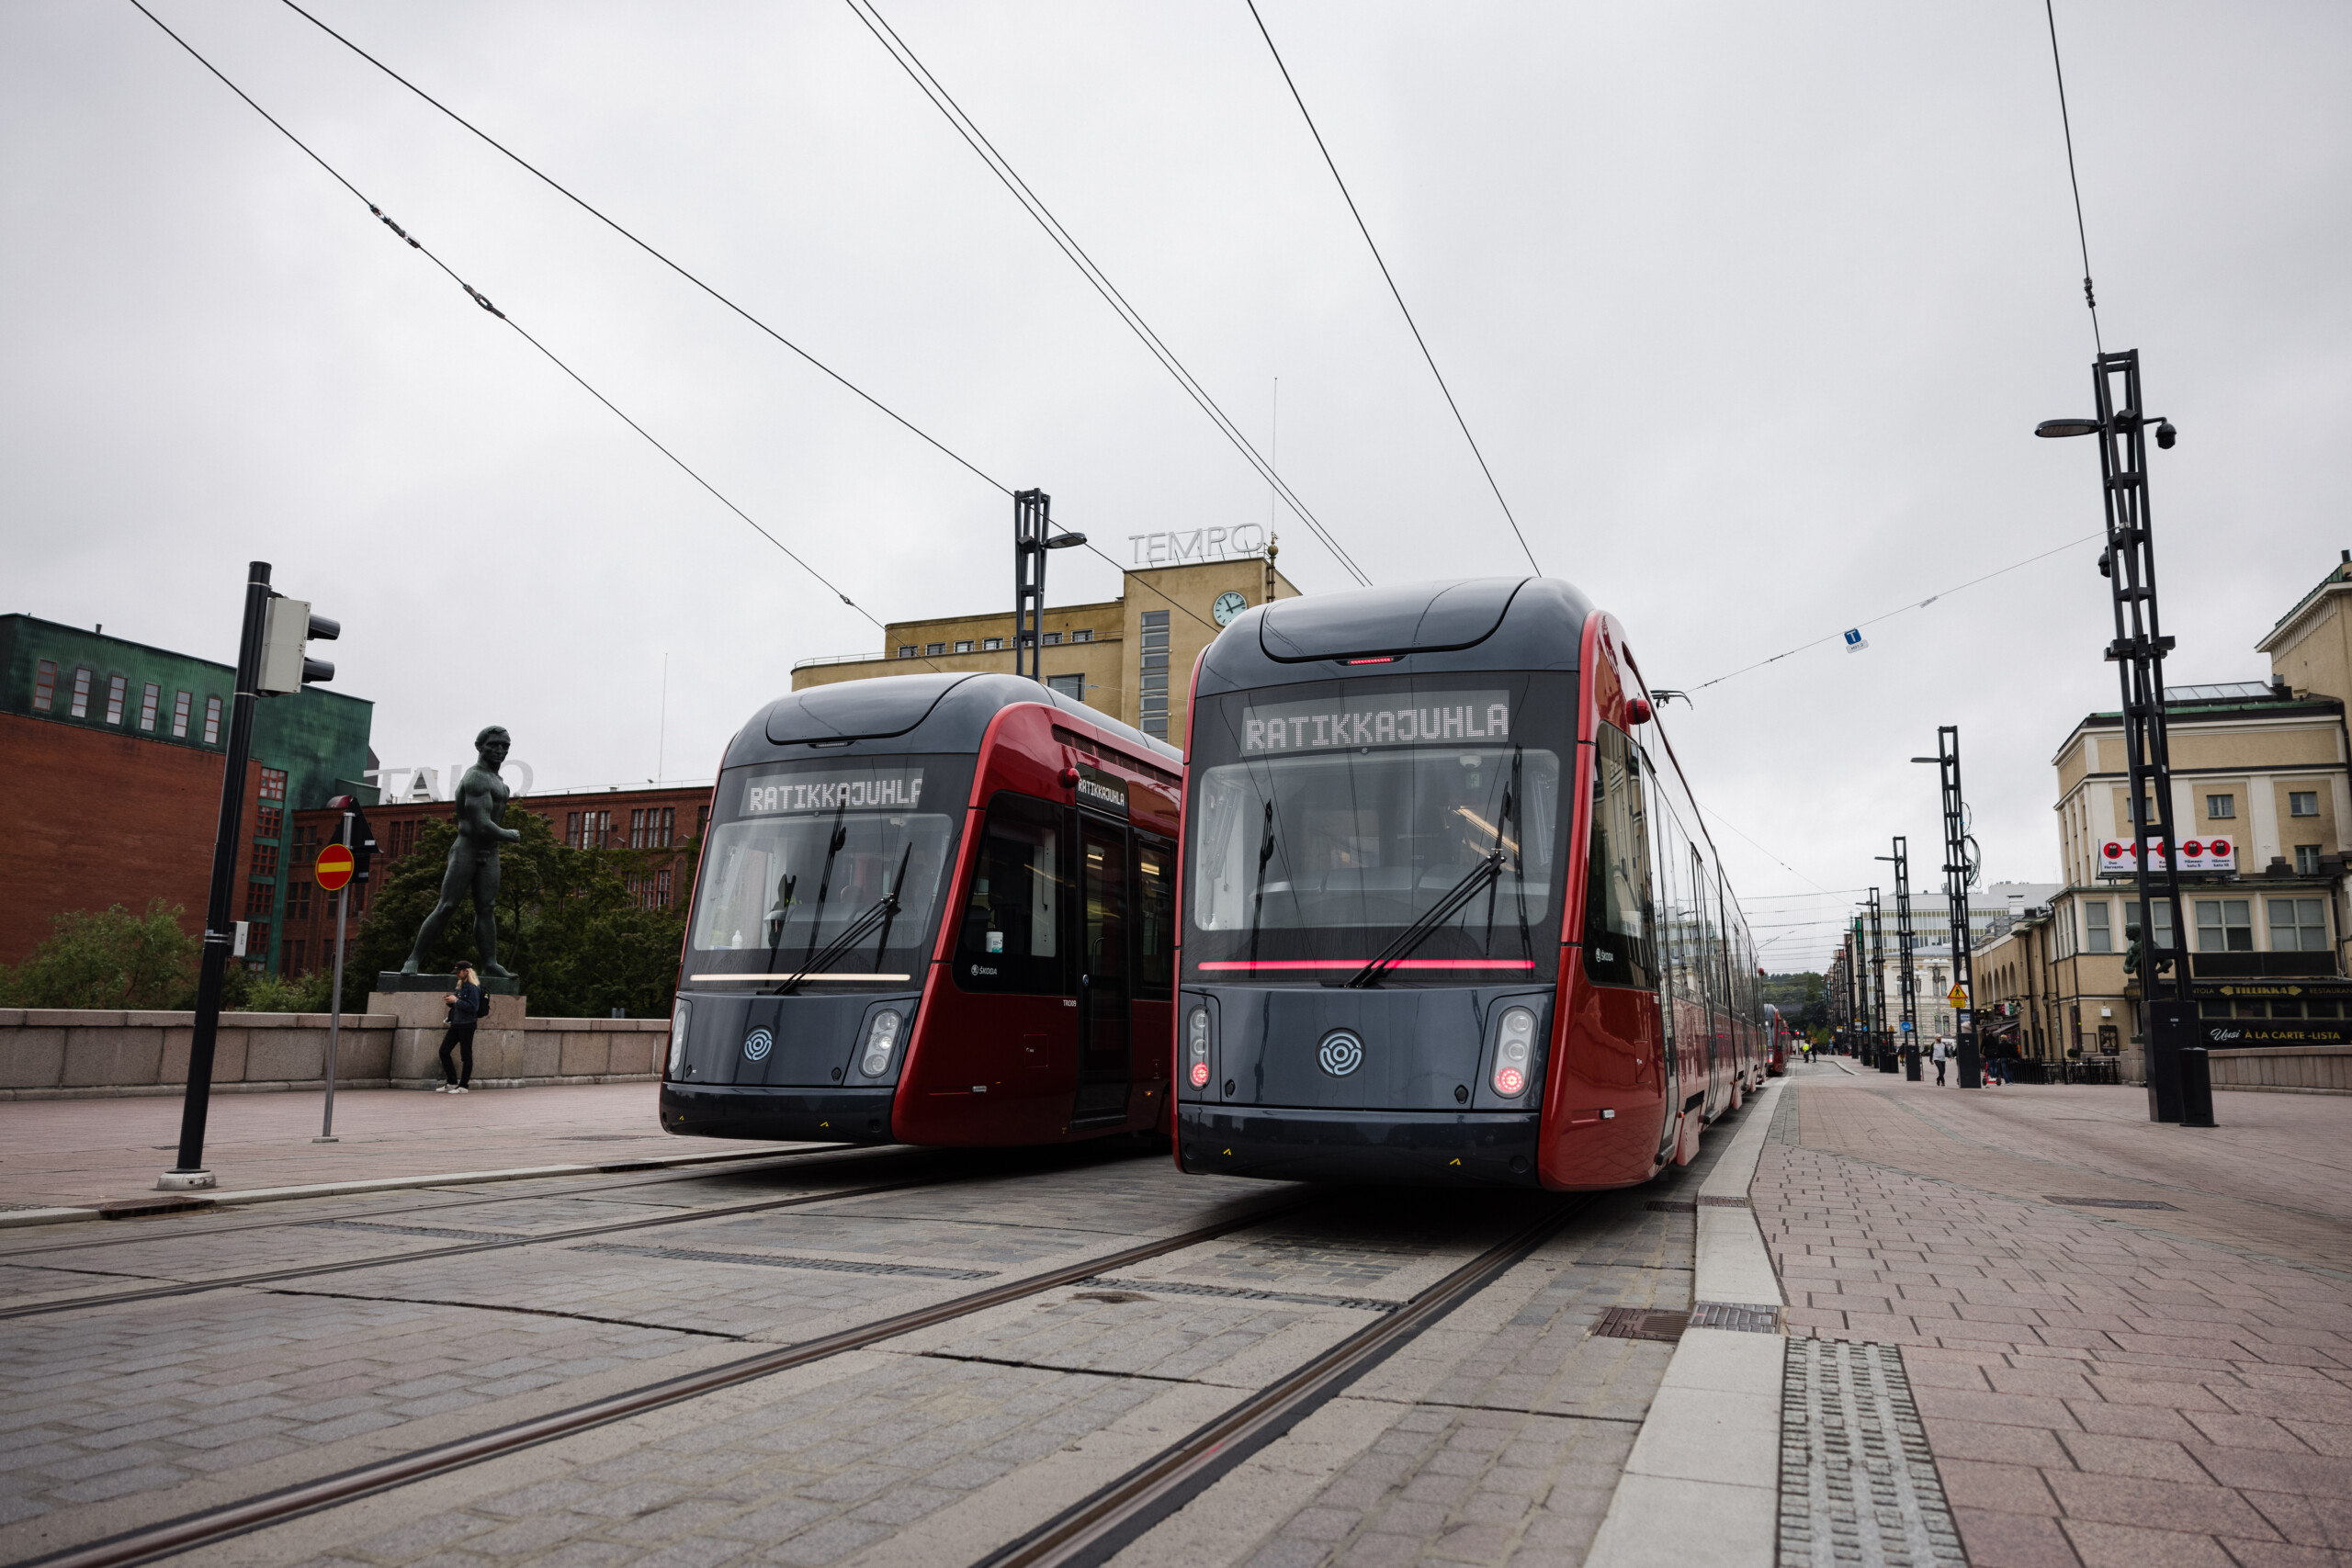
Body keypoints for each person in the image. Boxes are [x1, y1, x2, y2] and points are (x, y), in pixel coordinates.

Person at [438, 963, 485, 1093]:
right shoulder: (461, 986)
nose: (457, 974)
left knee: (466, 1055)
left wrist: (456, 1001)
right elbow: (459, 1005)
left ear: (466, 971)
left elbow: (473, 1007)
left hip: (467, 1025)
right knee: (444, 1051)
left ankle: (464, 1086)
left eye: (459, 972)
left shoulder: (473, 988)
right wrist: (450, 1002)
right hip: (456, 1024)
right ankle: (452, 1081)